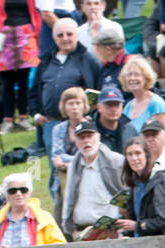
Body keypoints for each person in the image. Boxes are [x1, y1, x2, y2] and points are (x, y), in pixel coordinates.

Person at [28, 17, 100, 185]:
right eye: (60, 35)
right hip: (51, 123)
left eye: (69, 34)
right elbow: (33, 91)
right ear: (54, 38)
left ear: (77, 35)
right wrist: (36, 113)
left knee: (84, 166)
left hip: (81, 124)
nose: (65, 38)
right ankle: (60, 208)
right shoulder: (45, 61)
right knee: (57, 171)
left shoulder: (87, 60)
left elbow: (98, 89)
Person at [61, 120, 128, 248]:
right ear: (76, 141)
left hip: (109, 231)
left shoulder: (116, 161)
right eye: (81, 137)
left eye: (89, 136)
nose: (86, 141)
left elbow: (128, 194)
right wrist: (69, 227)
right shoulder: (74, 167)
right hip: (83, 233)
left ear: (98, 137)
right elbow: (68, 198)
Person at [0, 0, 41, 136]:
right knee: (7, 82)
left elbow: (35, 12)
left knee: (24, 81)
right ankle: (8, 120)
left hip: (25, 35)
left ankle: (23, 117)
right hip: (3, 36)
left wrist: (37, 34)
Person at [116, 135, 165, 239]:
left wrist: (137, 226)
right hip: (139, 243)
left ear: (146, 155)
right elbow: (136, 219)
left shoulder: (160, 180)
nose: (134, 158)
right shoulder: (135, 183)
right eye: (130, 154)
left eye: (138, 153)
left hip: (159, 246)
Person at [48, 86, 89, 204]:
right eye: (70, 103)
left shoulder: (91, 127)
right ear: (64, 107)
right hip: (62, 180)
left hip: (85, 178)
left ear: (84, 105)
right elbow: (57, 154)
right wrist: (73, 162)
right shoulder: (58, 129)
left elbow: (88, 157)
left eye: (78, 103)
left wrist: (68, 164)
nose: (75, 107)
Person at [118, 55, 165, 135]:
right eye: (129, 75)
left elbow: (163, 137)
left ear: (146, 78)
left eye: (137, 74)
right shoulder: (128, 106)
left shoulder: (156, 104)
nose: (132, 78)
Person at [92, 86, 132, 155]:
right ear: (98, 107)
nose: (113, 109)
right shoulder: (91, 132)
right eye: (109, 105)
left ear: (122, 107)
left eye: (117, 105)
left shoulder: (130, 129)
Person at [90, 20, 126, 90]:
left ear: (108, 49)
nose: (96, 51)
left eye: (98, 48)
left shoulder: (131, 64)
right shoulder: (106, 67)